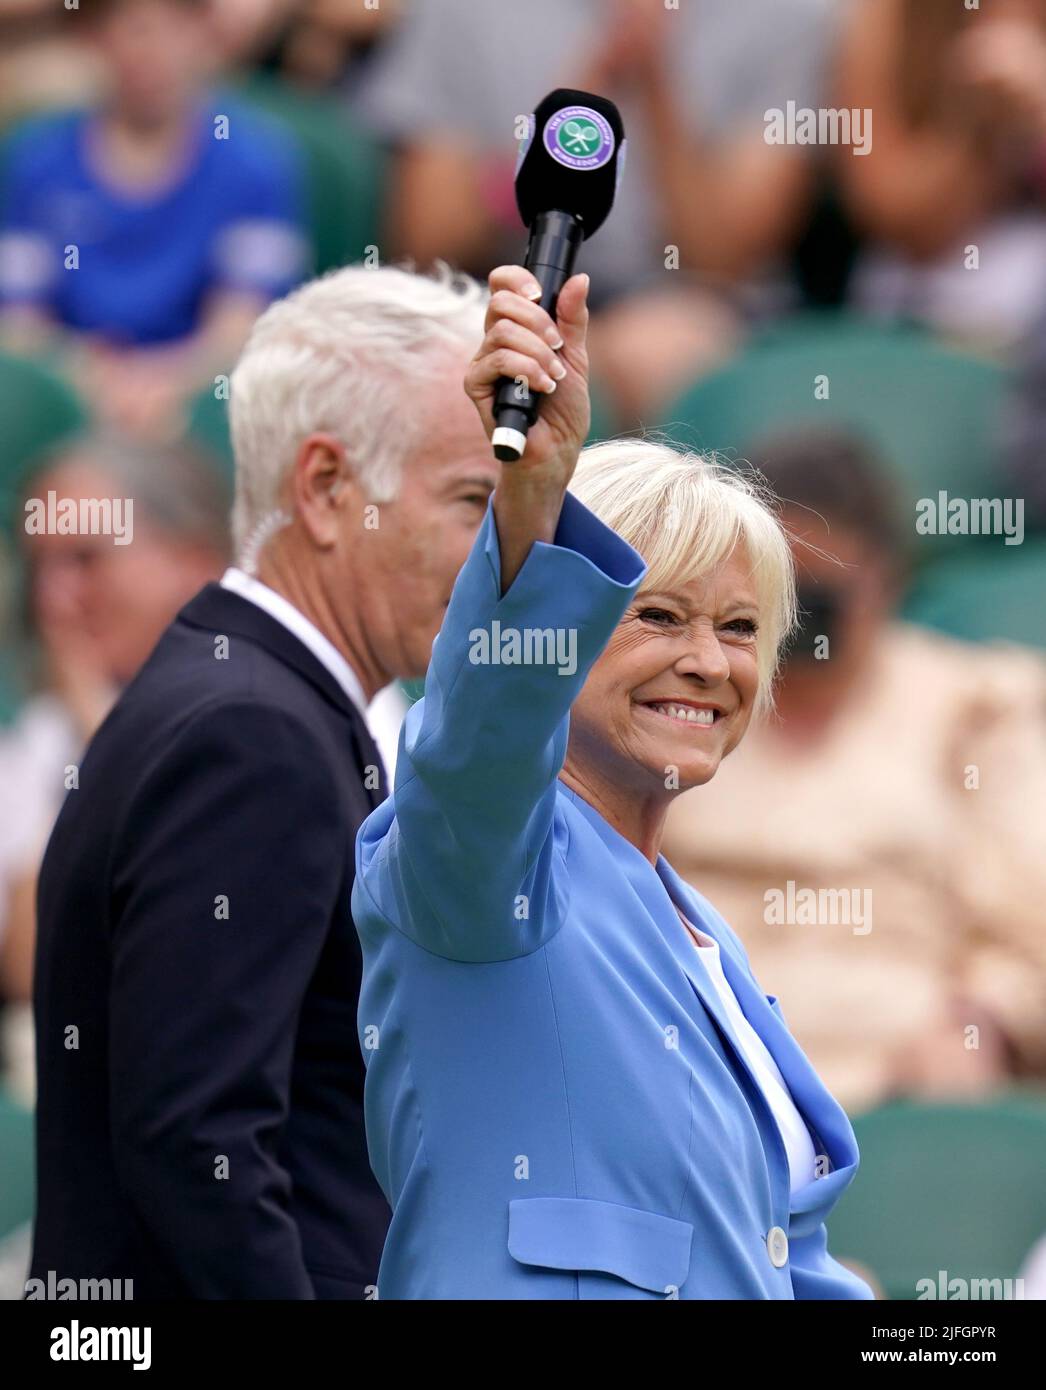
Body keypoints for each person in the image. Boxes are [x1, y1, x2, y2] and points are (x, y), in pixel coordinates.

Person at [351, 264, 875, 1300]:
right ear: (568, 624)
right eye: (657, 615)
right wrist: (533, 507)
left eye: (737, 629)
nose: (705, 660)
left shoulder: (694, 931)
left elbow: (770, 1256)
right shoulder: (481, 862)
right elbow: (477, 739)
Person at [29, 261, 496, 1299]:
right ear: (327, 491)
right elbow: (199, 1145)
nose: (497, 555)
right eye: (472, 501)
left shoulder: (258, 699)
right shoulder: (253, 735)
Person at [663, 428, 1046, 1115]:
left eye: (817, 596)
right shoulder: (681, 695)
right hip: (700, 1060)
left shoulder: (974, 710)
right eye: (770, 594)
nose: (797, 622)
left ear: (884, 578)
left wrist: (980, 1019)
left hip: (904, 1076)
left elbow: (1030, 929)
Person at [0, 0, 307, 436]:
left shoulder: (257, 162)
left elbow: (242, 325)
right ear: (93, 38)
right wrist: (86, 376)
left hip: (197, 414)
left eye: (173, 27)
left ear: (204, 34)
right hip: (66, 407)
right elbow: (19, 321)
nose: (152, 51)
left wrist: (161, 386)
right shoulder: (35, 159)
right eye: (133, 29)